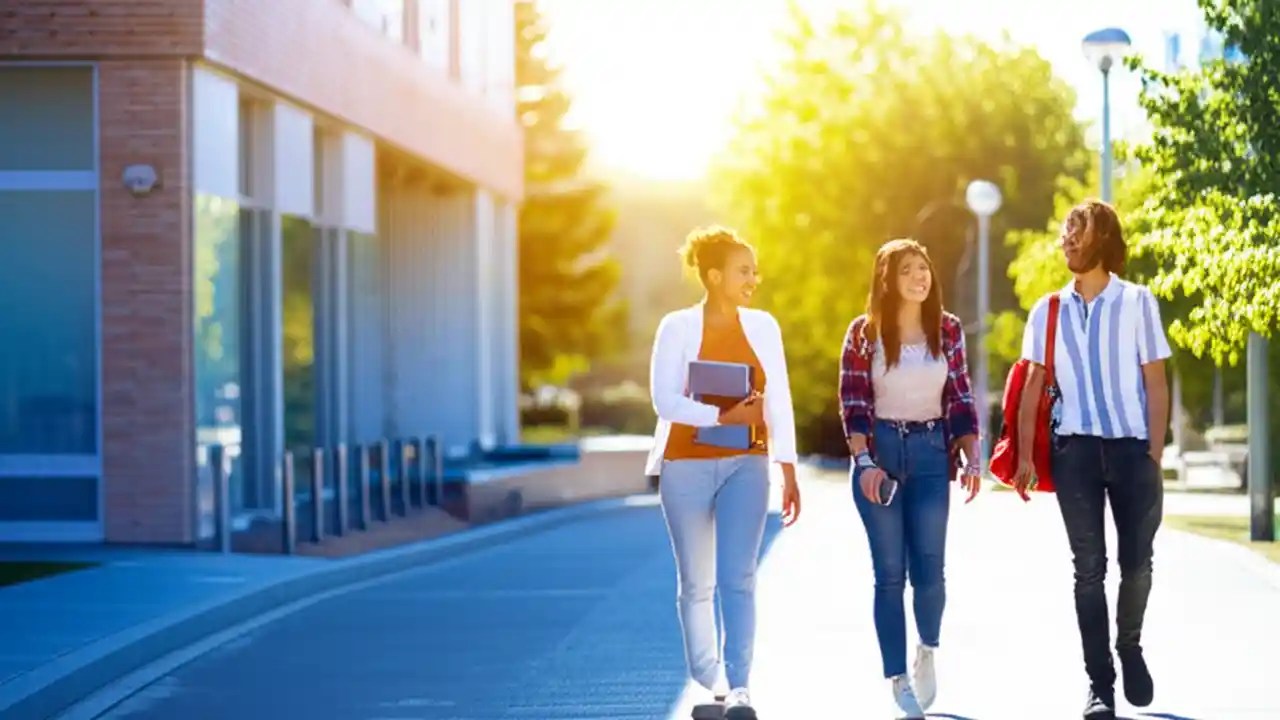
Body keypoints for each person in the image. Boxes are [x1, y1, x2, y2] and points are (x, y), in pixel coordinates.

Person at [1013, 200, 1171, 720]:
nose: (1066, 239)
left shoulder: (1138, 302)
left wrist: (1153, 450)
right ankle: (1099, 683)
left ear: (1101, 237)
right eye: (1064, 232)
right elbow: (1034, 381)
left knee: (1138, 564)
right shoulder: (1047, 310)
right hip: (1074, 451)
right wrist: (1023, 455)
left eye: (1076, 230)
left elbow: (1154, 379)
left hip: (1131, 451)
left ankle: (1129, 645)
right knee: (1088, 570)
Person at [645, 225, 802, 720]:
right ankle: (707, 677)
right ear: (714, 277)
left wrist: (788, 467)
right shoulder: (676, 327)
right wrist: (720, 418)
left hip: (746, 464)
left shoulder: (764, 327)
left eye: (754, 270)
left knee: (739, 576)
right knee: (696, 583)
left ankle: (739, 687)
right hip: (683, 465)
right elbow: (663, 400)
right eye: (743, 271)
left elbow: (778, 399)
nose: (753, 278)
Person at [838, 238, 982, 719]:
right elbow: (854, 406)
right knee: (889, 577)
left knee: (930, 572)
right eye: (907, 270)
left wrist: (972, 456)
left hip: (930, 453)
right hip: (879, 456)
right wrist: (863, 464)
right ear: (887, 279)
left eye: (924, 267)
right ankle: (897, 679)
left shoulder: (948, 330)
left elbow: (960, 396)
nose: (920, 276)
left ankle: (927, 649)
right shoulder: (863, 335)